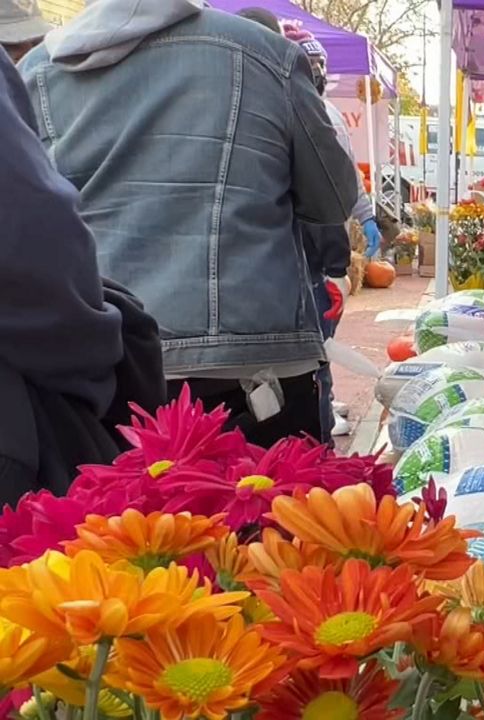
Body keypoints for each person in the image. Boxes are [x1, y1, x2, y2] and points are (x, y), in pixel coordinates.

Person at [19, 0, 358, 447]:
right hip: (250, 367)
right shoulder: (266, 56)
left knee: (125, 517)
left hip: (108, 360)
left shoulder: (31, 74)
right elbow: (333, 199)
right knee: (272, 514)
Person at [0, 52, 166, 503]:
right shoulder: (267, 57)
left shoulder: (40, 64)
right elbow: (33, 235)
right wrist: (99, 360)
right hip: (51, 374)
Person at [281, 20, 380, 440]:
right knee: (311, 335)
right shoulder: (280, 111)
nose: (317, 73)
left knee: (326, 330)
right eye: (310, 64)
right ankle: (319, 411)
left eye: (319, 64)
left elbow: (346, 175)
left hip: (327, 242)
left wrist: (366, 214)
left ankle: (326, 393)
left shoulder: (329, 113)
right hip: (302, 244)